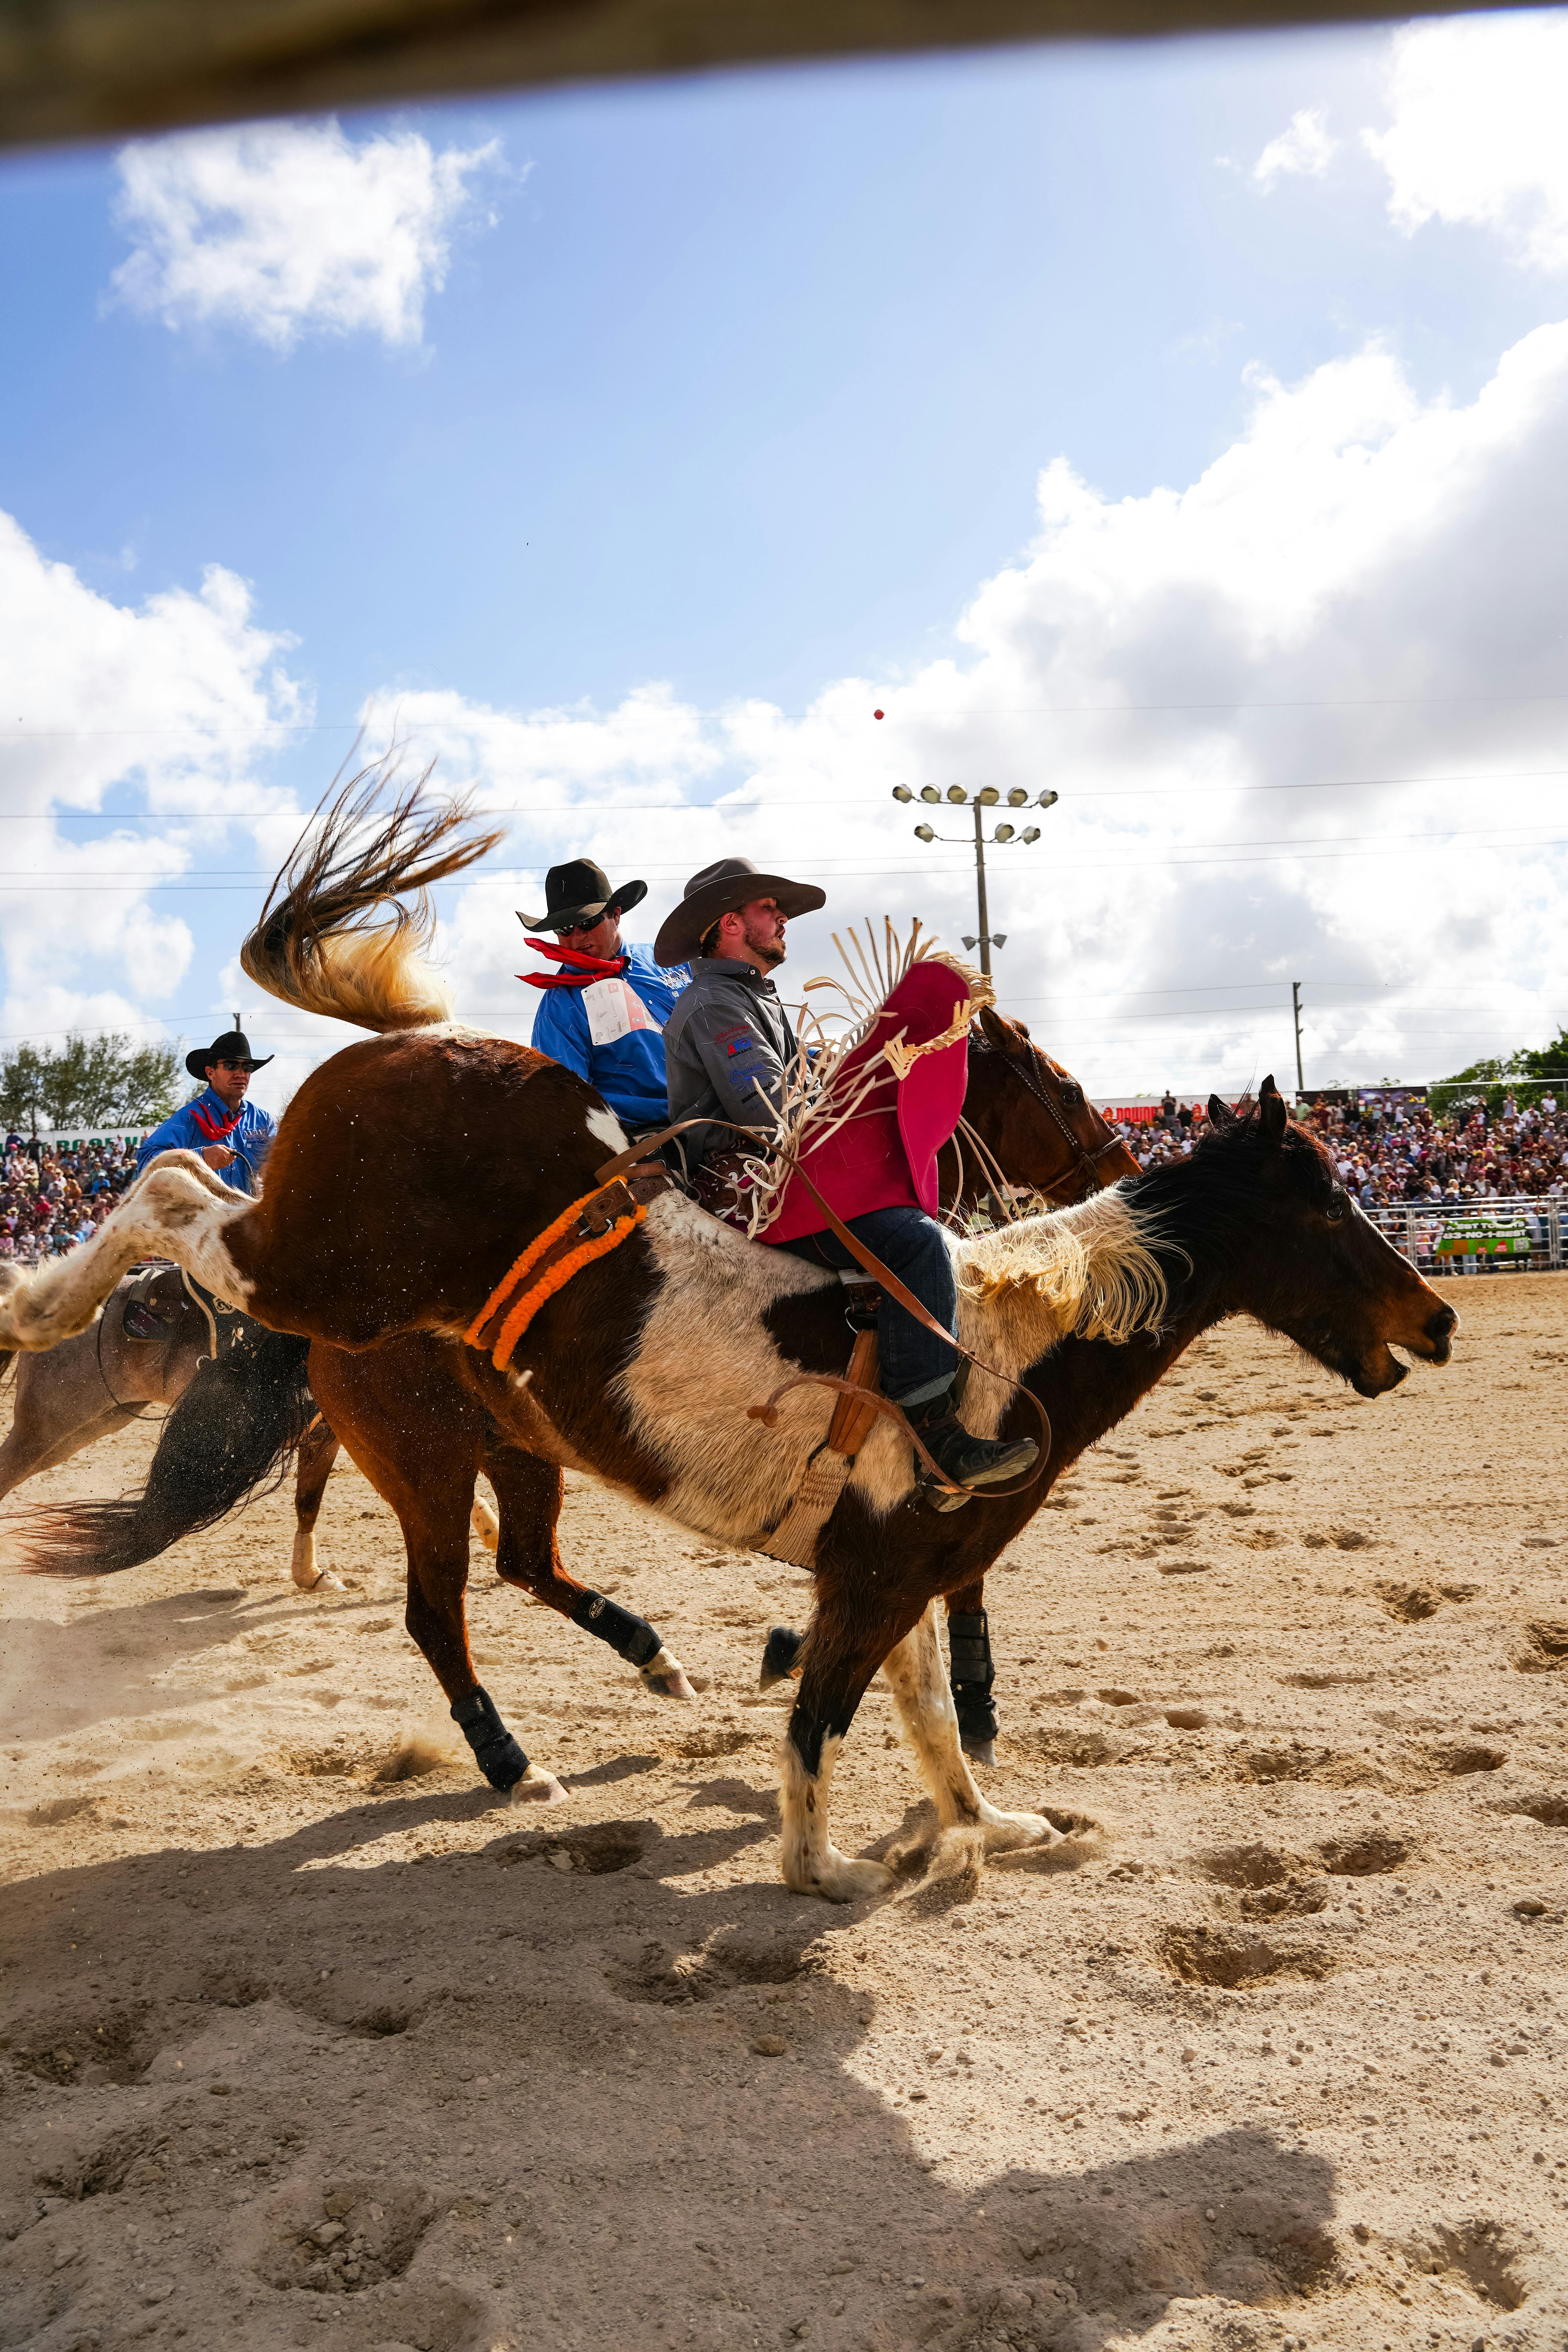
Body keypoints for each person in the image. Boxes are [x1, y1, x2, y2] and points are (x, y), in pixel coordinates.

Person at [655, 855, 1039, 1501]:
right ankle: (935, 1440)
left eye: (778, 909)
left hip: (779, 1173)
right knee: (915, 1240)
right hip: (750, 1189)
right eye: (767, 909)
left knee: (924, 1222)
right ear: (729, 923)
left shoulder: (748, 996)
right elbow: (767, 1109)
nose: (781, 919)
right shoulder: (714, 1002)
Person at [518, 859, 690, 1134]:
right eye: (564, 929)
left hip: (718, 1112)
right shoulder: (559, 1009)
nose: (577, 937)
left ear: (616, 915)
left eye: (588, 922)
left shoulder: (670, 961)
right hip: (642, 1137)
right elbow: (566, 1105)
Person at [136, 1029, 278, 1194]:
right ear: (211, 1073)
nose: (241, 1073)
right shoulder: (189, 1117)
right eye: (231, 1065)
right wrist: (200, 1158)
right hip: (204, 1219)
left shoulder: (262, 1120)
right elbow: (147, 1162)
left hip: (251, 1216)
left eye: (247, 1067)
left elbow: (285, 1158)